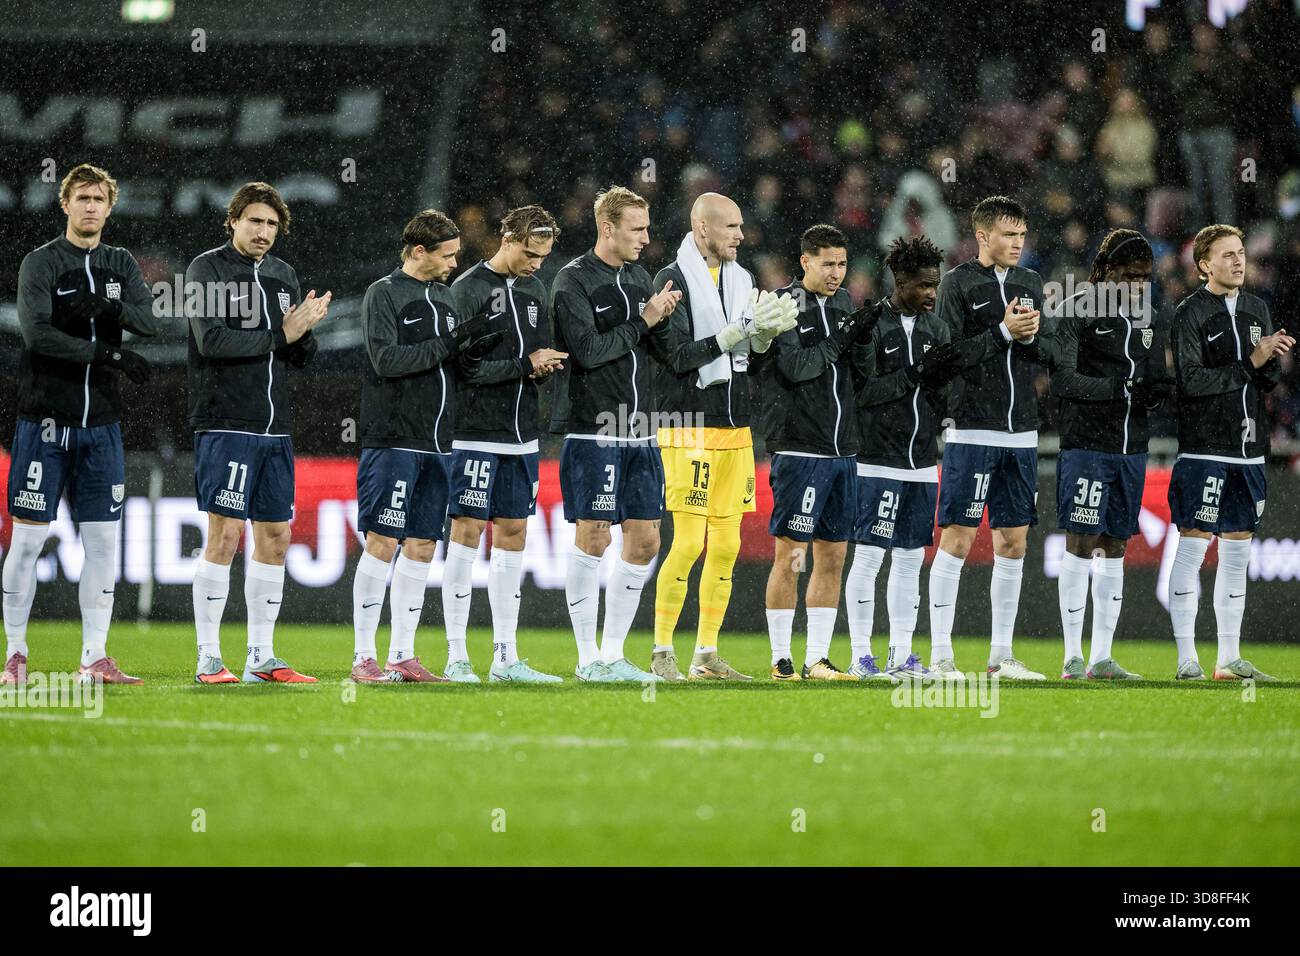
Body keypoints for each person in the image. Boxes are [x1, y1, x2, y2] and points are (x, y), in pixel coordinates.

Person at [3, 162, 157, 687]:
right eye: (82, 198)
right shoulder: (40, 262)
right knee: (26, 543)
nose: (91, 207)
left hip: (102, 428)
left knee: (101, 546)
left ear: (110, 208)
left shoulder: (120, 262)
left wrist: (103, 306)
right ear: (64, 205)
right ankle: (15, 654)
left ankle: (94, 656)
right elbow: (37, 334)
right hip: (45, 422)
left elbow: (149, 321)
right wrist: (106, 355)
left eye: (99, 200)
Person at [186, 182, 330, 684]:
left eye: (271, 224)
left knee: (275, 534)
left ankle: (261, 658)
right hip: (225, 421)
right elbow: (213, 341)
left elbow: (293, 353)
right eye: (254, 221)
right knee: (224, 534)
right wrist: (281, 334)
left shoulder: (282, 275)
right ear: (233, 221)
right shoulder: (207, 269)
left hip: (275, 429)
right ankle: (208, 657)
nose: (263, 232)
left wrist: (306, 334)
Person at [647, 192, 795, 682]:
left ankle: (706, 655)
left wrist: (763, 337)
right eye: (730, 227)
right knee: (688, 543)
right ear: (702, 229)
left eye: (741, 226)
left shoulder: (742, 278)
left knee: (727, 545)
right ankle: (662, 651)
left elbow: (745, 355)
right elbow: (679, 357)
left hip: (735, 426)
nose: (740, 235)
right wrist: (736, 333)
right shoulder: (671, 279)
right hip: (687, 423)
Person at [350, 209, 496, 684]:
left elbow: (452, 364)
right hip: (394, 439)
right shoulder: (384, 293)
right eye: (448, 255)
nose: (455, 263)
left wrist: (473, 350)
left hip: (439, 444)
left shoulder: (447, 299)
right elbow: (387, 360)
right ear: (419, 251)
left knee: (422, 544)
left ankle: (403, 655)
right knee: (383, 540)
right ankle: (363, 658)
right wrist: (452, 343)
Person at [549, 186, 682, 682]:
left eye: (646, 228)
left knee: (646, 540)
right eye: (637, 229)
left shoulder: (641, 277)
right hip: (594, 431)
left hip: (642, 432)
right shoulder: (572, 281)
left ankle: (612, 655)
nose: (646, 238)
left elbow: (660, 348)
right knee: (594, 536)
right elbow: (586, 350)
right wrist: (644, 319)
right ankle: (587, 659)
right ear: (608, 228)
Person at [442, 205, 568, 683]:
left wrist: (543, 365)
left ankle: (504, 658)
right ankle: (456, 656)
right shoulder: (468, 289)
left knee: (513, 533)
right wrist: (524, 365)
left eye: (544, 256)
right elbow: (463, 371)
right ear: (509, 239)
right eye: (532, 254)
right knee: (467, 533)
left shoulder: (536, 290)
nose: (538, 264)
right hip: (475, 433)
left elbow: (531, 358)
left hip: (522, 437)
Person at [1166, 224, 1292, 681]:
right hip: (1204, 447)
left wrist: (1271, 362)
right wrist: (1251, 362)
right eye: (1227, 255)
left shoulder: (1258, 307)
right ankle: (1186, 658)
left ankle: (1229, 659)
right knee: (1193, 549)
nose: (1239, 261)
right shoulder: (1190, 314)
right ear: (1204, 265)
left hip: (1250, 449)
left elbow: (1267, 379)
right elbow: (1192, 383)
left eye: (1241, 253)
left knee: (1237, 553)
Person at [928, 196, 1045, 681]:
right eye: (1008, 235)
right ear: (982, 236)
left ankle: (1001, 657)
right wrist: (1002, 331)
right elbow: (946, 356)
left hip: (1022, 433)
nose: (1017, 244)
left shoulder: (1032, 283)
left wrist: (1036, 337)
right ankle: (939, 656)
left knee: (1014, 543)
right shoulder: (956, 284)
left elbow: (1044, 351)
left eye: (1022, 235)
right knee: (957, 540)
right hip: (972, 429)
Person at [759, 224, 878, 681]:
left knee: (833, 557)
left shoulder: (846, 304)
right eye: (827, 263)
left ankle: (817, 658)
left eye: (842, 264)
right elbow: (796, 367)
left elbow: (862, 371)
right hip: (799, 448)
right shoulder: (783, 305)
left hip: (843, 451)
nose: (836, 272)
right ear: (805, 262)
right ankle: (780, 657)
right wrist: (845, 337)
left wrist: (863, 338)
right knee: (791, 555)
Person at [1050, 229, 1170, 680]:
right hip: (1087, 446)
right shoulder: (1075, 309)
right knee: (1080, 543)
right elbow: (1062, 380)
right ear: (1106, 270)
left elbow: (1156, 379)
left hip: (1131, 450)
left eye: (1145, 277)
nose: (1139, 284)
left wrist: (1158, 394)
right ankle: (1070, 657)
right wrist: (1117, 389)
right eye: (1131, 275)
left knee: (1116, 546)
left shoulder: (1151, 317)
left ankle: (1102, 656)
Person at [845, 236, 965, 682]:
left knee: (911, 559)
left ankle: (902, 656)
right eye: (923, 285)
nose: (933, 293)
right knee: (870, 558)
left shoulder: (938, 330)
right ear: (900, 281)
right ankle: (861, 656)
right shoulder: (873, 325)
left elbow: (939, 395)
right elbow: (863, 394)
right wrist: (916, 375)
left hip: (921, 461)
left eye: (936, 284)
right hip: (876, 459)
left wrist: (939, 388)